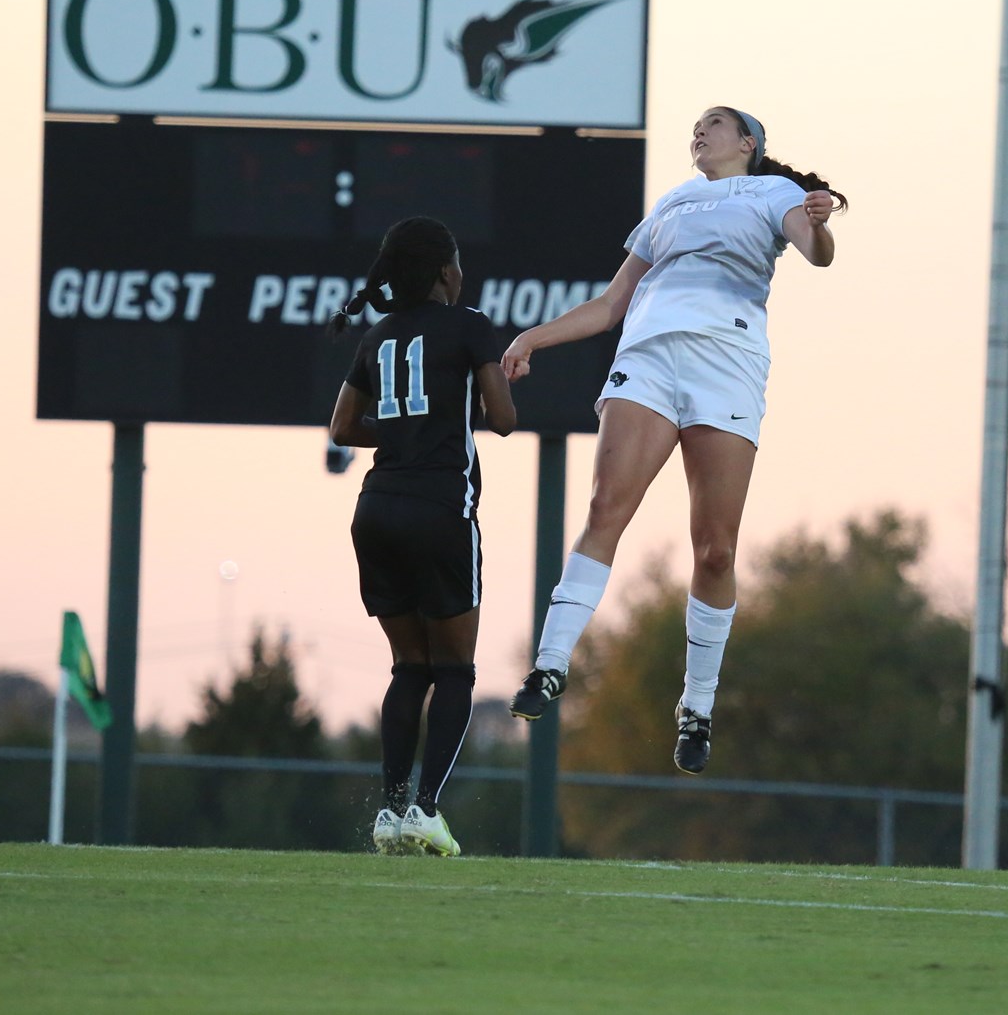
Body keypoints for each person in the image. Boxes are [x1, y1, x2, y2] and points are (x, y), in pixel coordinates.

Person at [500, 106, 845, 775]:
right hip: (650, 357)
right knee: (606, 509)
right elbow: (609, 306)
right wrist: (531, 337)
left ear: (748, 142)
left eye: (715, 123)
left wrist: (821, 223)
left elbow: (816, 252)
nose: (700, 130)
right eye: (697, 124)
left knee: (715, 549)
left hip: (727, 362)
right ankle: (548, 666)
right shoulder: (671, 203)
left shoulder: (774, 193)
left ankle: (697, 705)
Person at [328, 216, 517, 857]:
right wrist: (477, 393)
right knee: (455, 671)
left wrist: (409, 431)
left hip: (375, 510)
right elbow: (505, 420)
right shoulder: (470, 323)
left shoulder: (378, 335)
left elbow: (342, 429)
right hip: (439, 511)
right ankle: (426, 810)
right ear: (445, 272)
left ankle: (387, 812)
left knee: (409, 667)